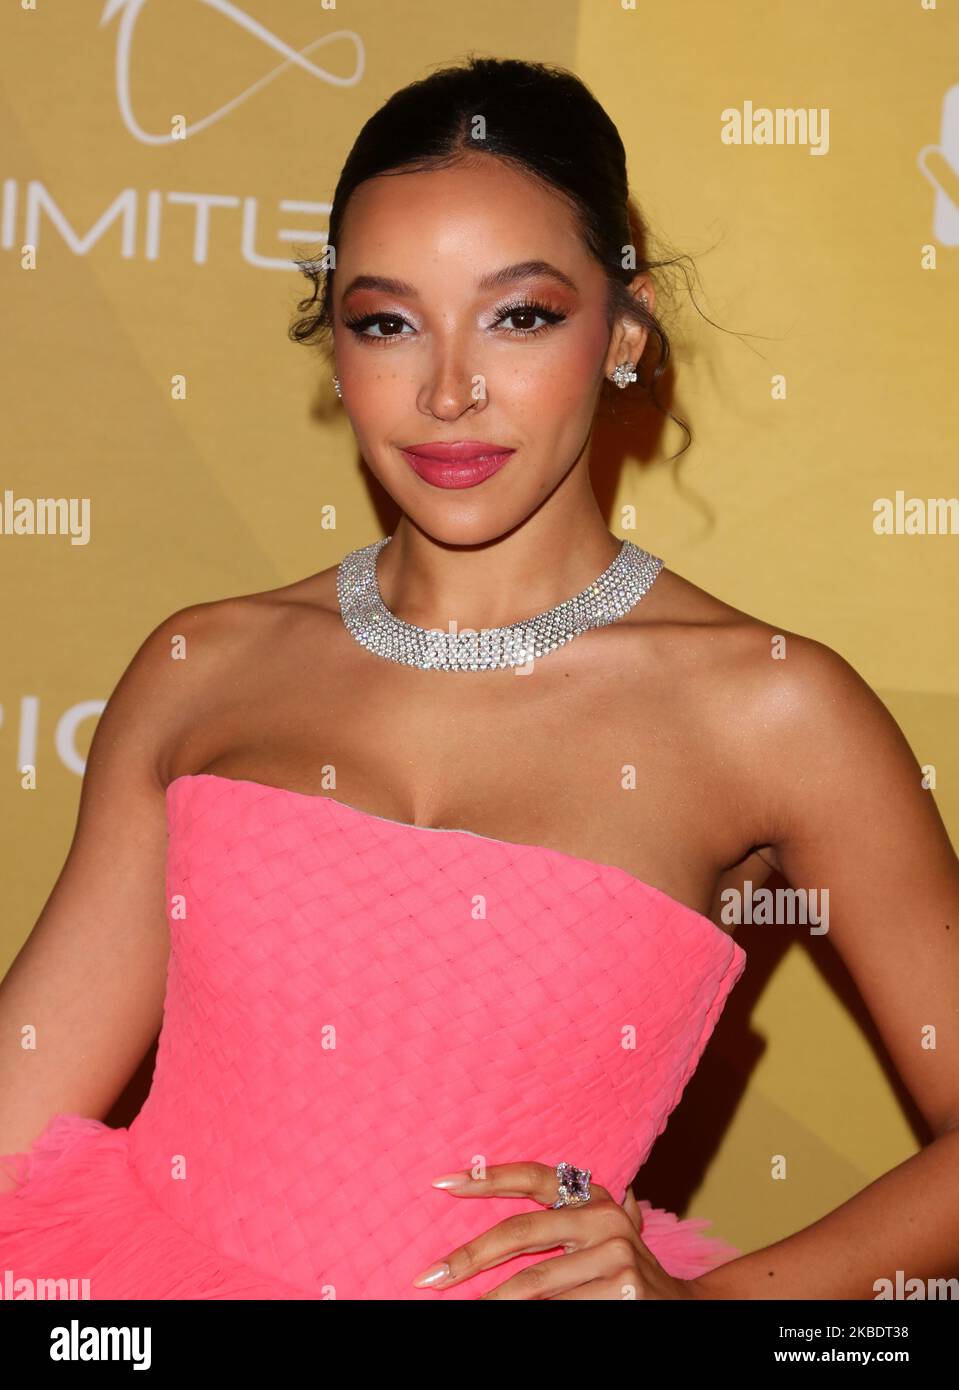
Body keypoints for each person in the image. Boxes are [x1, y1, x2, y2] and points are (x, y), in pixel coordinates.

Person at [1, 55, 957, 1302]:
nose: (448, 391)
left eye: (520, 315)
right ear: (332, 340)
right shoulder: (204, 666)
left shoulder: (772, 708)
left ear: (622, 327)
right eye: (386, 321)